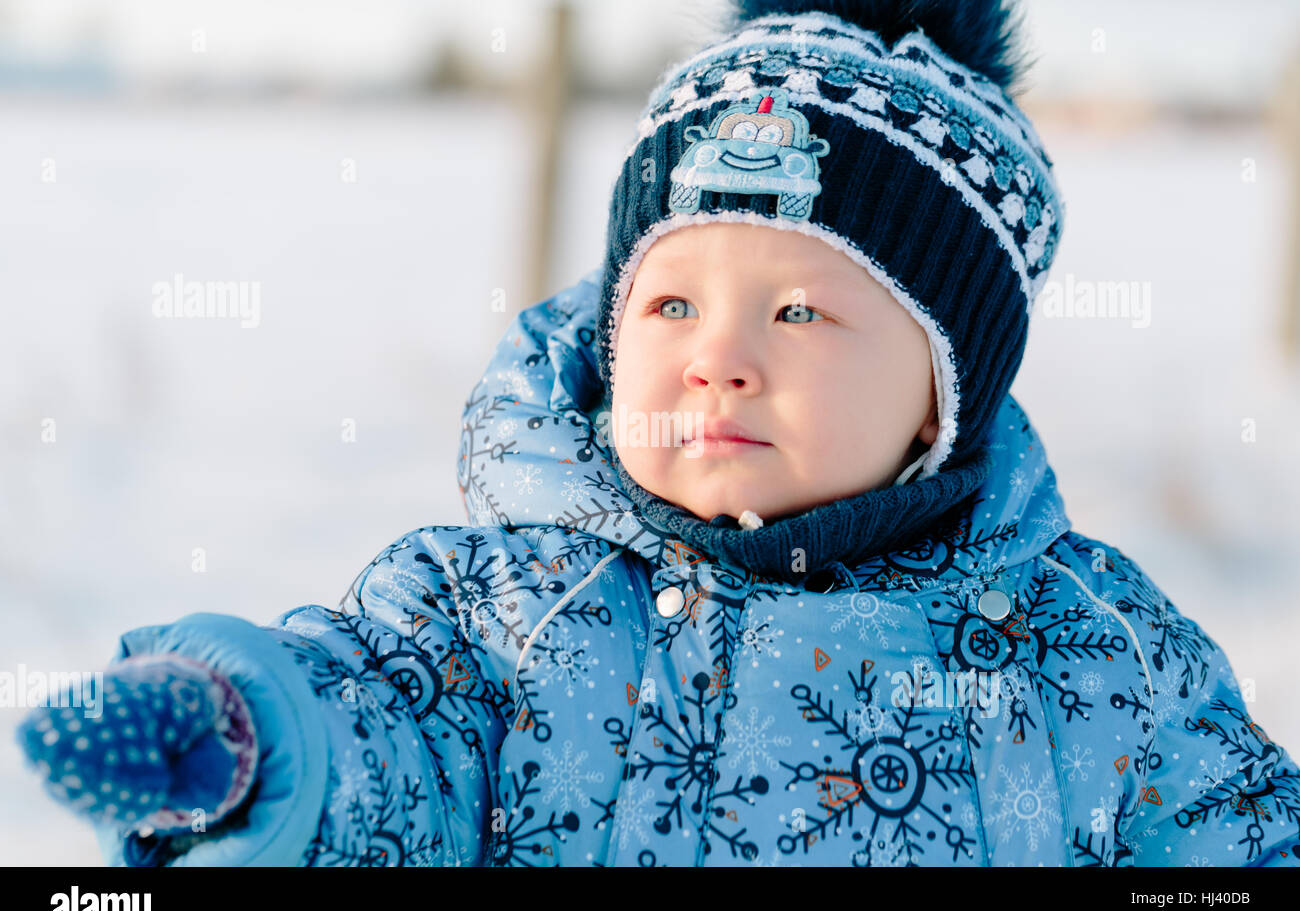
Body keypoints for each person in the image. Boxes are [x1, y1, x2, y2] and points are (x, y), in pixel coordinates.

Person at [17, 0, 1300, 866]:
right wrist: (249, 734)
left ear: (938, 397)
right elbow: (378, 738)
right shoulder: (505, 612)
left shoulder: (1094, 658)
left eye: (800, 310)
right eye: (672, 300)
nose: (717, 356)